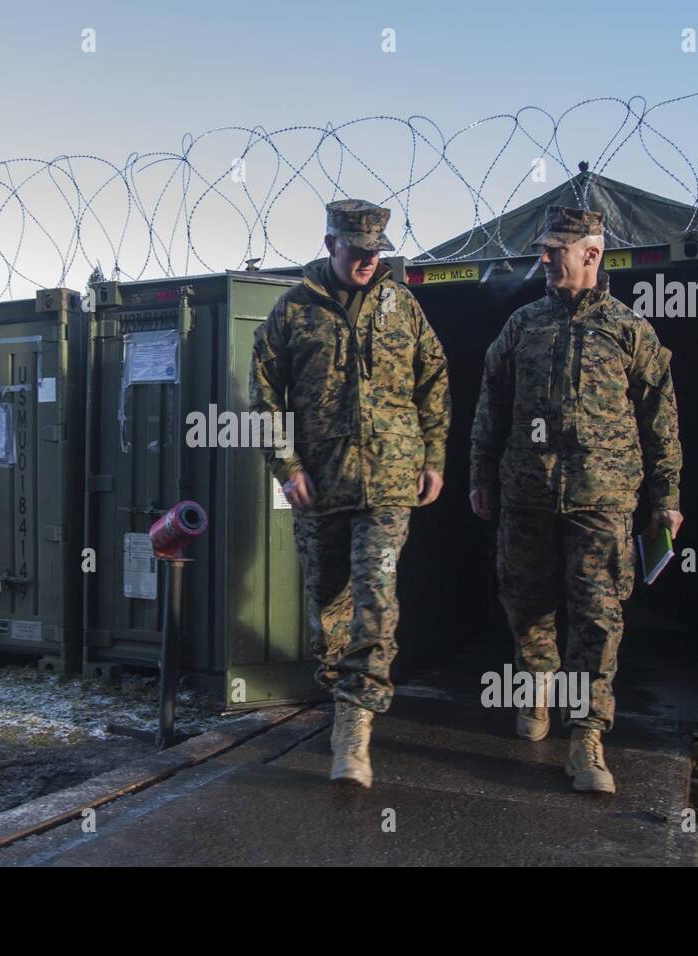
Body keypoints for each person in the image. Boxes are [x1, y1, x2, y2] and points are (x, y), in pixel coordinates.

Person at [469, 206, 683, 793]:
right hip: (527, 493)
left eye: (555, 251)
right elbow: (492, 404)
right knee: (526, 601)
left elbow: (659, 418)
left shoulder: (629, 330)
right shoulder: (522, 326)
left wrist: (666, 498)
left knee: (598, 616)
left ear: (591, 255)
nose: (543, 260)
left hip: (603, 499)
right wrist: (480, 475)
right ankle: (538, 685)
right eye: (542, 249)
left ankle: (587, 734)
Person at [250, 199, 450, 788]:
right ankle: (340, 694)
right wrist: (286, 467)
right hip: (321, 486)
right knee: (329, 609)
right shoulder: (292, 312)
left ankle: (355, 724)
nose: (368, 262)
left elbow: (433, 378)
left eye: (376, 253)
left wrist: (433, 455)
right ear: (331, 243)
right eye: (358, 252)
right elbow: (264, 396)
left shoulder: (402, 305)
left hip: (390, 482)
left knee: (376, 595)